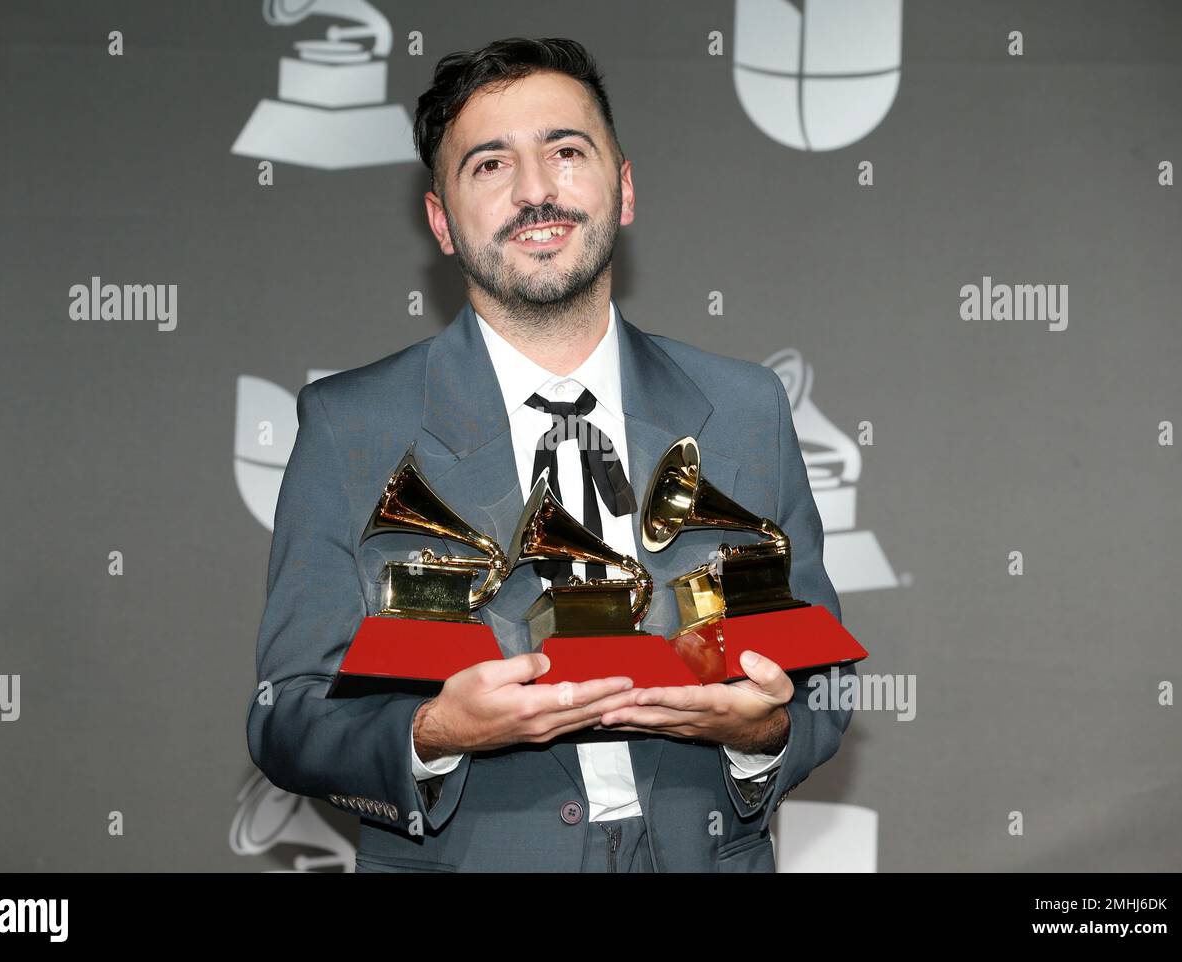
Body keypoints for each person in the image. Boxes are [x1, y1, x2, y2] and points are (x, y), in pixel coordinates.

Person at [247, 37, 855, 872]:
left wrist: (765, 736)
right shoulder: (349, 424)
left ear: (625, 188)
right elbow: (286, 718)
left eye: (566, 152)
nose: (537, 190)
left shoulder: (747, 408)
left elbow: (824, 677)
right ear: (441, 223)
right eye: (490, 165)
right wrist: (431, 734)